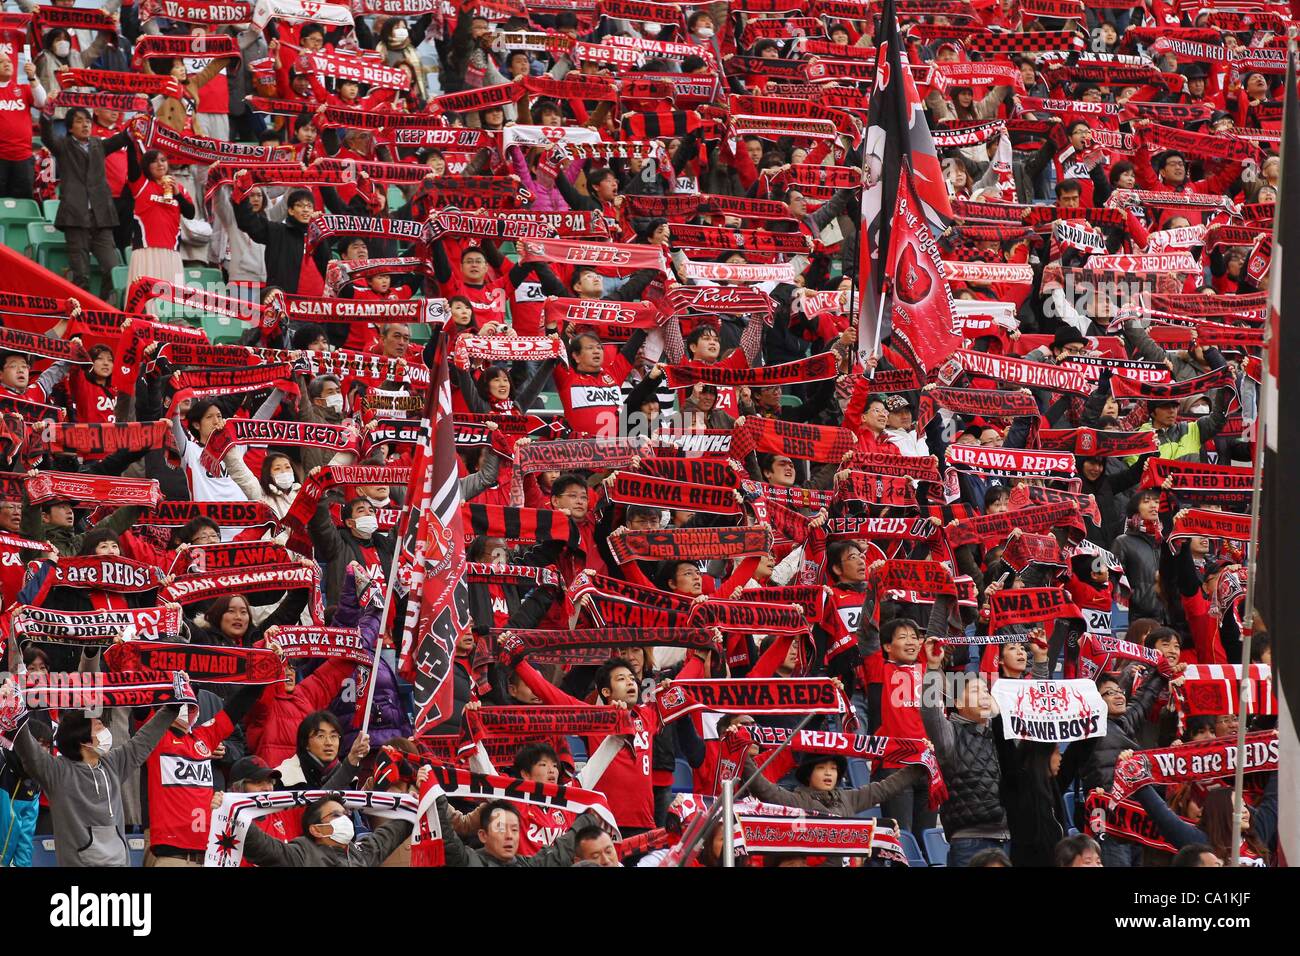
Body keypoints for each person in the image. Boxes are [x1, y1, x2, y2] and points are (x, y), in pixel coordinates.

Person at [38, 106, 128, 295]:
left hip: (101, 217)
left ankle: (103, 309)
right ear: (70, 128)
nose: (85, 124)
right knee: (81, 276)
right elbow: (46, 135)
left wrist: (138, 122)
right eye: (79, 121)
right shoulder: (63, 145)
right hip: (75, 217)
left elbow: (122, 138)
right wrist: (47, 113)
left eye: (87, 121)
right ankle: (81, 316)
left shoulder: (99, 145)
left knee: (113, 269)